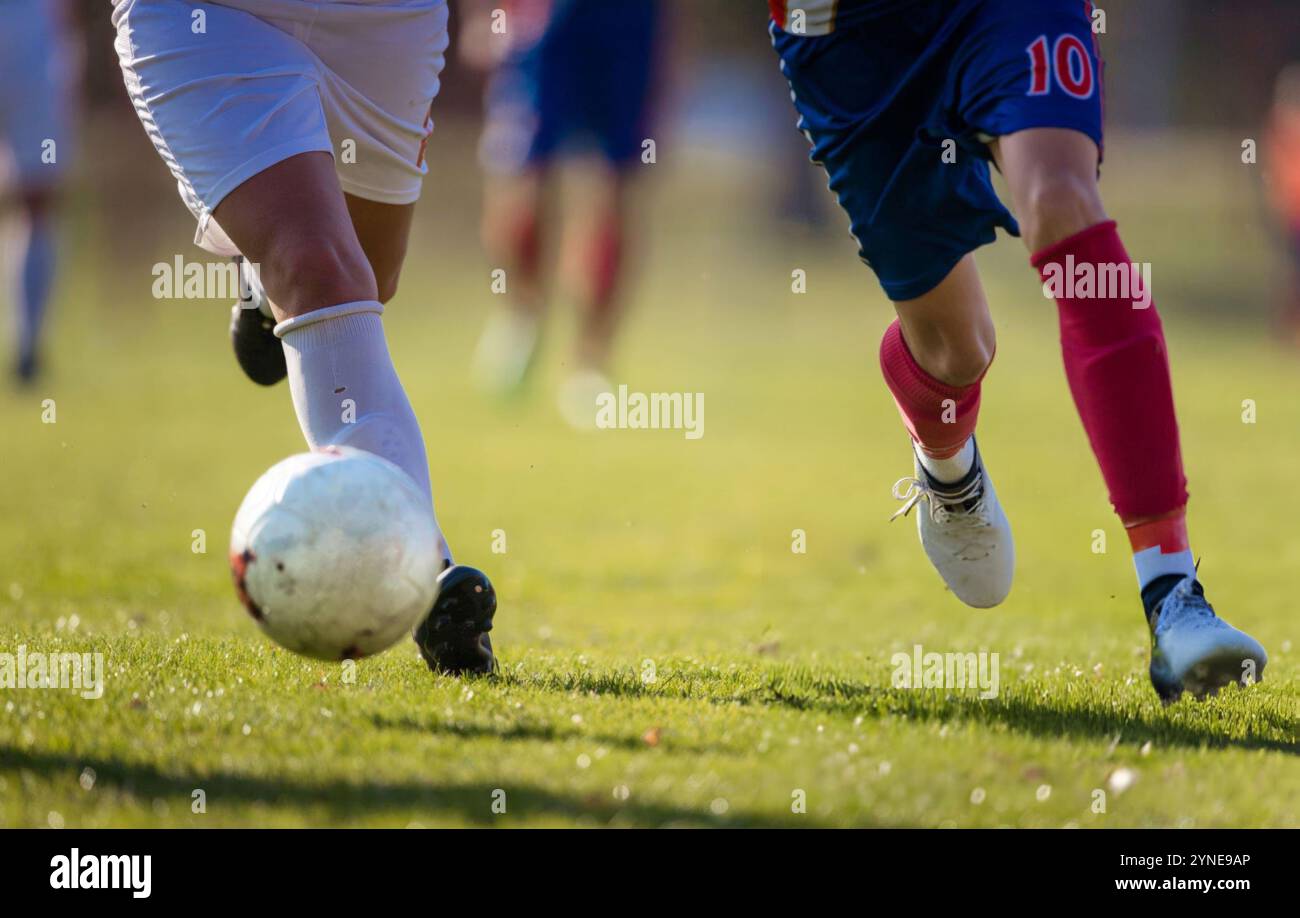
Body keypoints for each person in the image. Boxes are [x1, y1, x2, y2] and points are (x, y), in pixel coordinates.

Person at [768, 0, 1267, 701]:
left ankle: (1171, 591)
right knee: (955, 351)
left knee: (1062, 202)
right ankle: (947, 466)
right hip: (848, 37)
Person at [111, 0, 497, 674]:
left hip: (382, 18)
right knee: (319, 269)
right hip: (213, 11)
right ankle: (424, 578)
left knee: (370, 278)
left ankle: (265, 285)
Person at [466, 0, 663, 427]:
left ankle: (590, 361)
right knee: (522, 172)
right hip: (541, 16)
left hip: (628, 18)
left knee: (615, 184)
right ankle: (521, 314)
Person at [0, 0, 76, 384]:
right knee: (36, 201)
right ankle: (27, 347)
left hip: (34, 30)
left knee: (36, 197)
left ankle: (28, 348)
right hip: (32, 35)